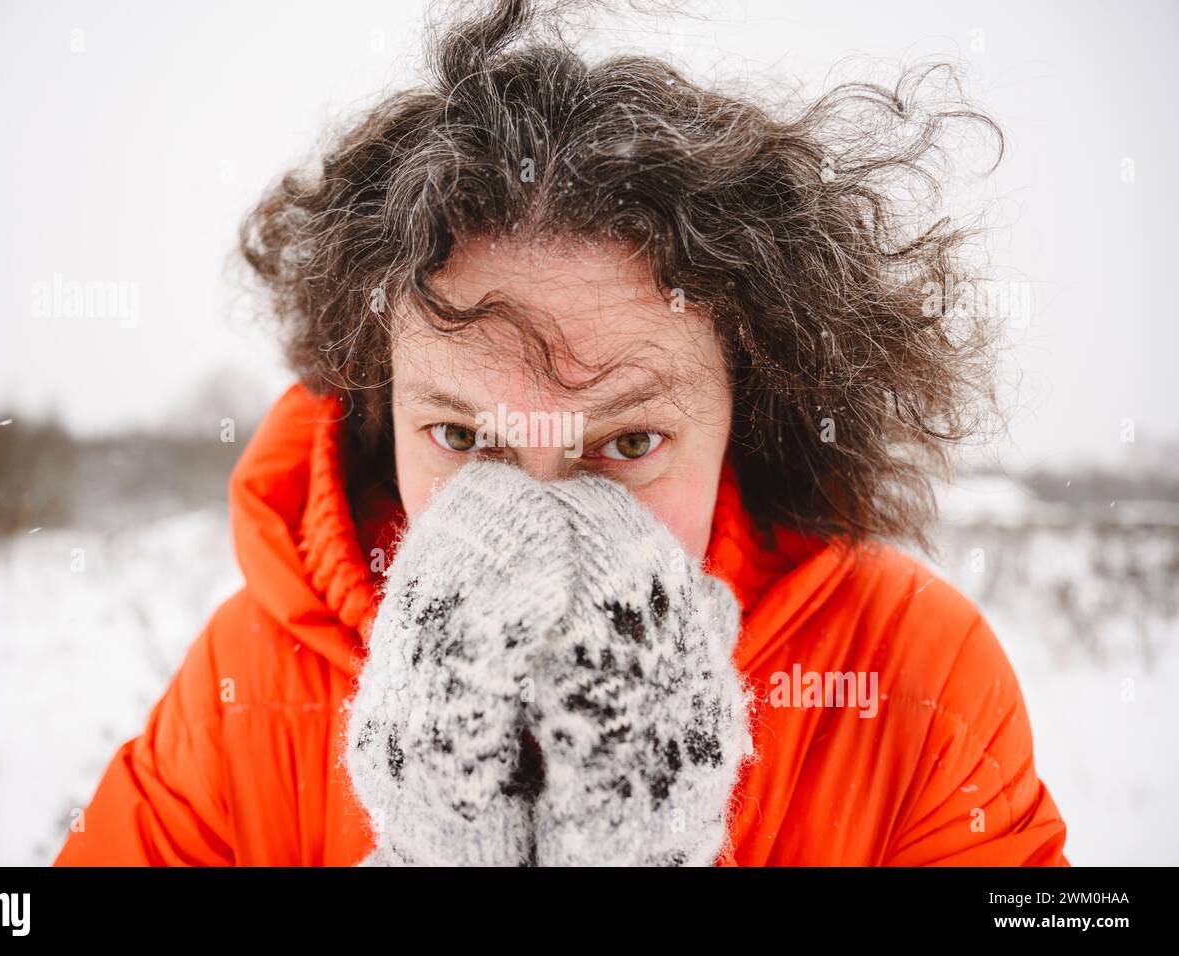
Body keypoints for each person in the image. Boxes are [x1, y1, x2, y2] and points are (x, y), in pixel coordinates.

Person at [55, 0, 1068, 866]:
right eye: (464, 437)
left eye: (625, 443)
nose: (534, 518)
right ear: (381, 397)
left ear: (747, 414)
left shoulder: (913, 679)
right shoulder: (244, 691)